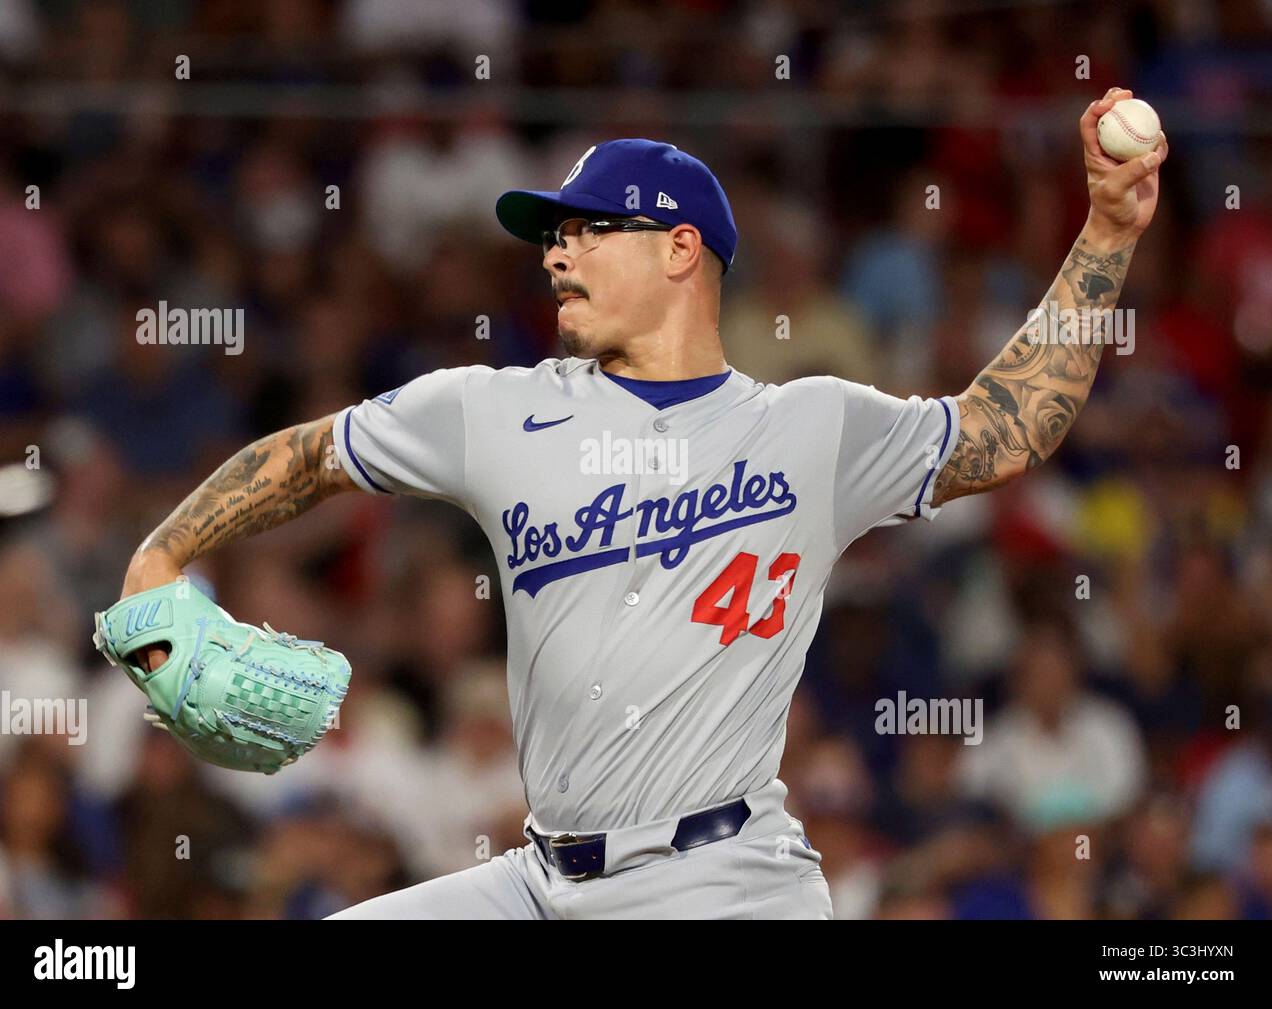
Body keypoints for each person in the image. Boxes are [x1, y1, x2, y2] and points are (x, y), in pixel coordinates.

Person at [117, 88, 1167, 919]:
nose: (556, 251)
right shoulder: (493, 410)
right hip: (540, 879)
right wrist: (162, 556)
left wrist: (1108, 232)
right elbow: (309, 456)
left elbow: (1004, 427)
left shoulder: (811, 428)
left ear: (679, 251)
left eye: (588, 229)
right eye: (553, 234)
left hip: (721, 882)